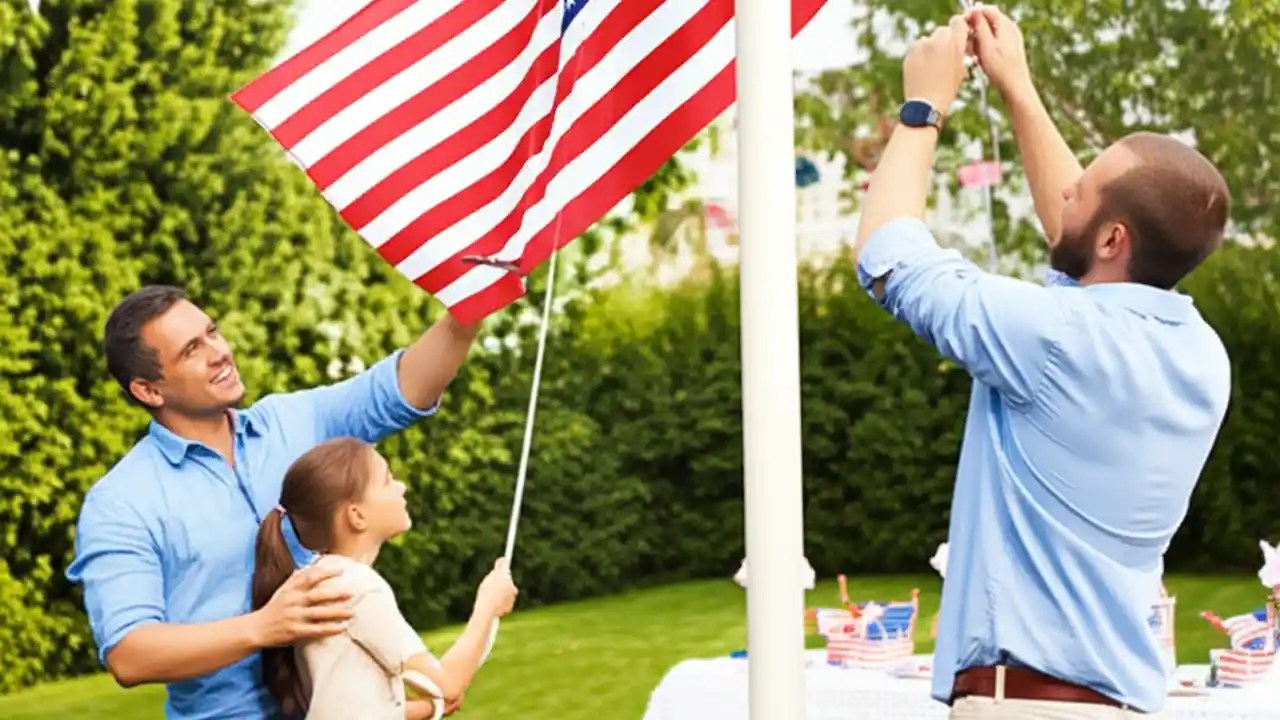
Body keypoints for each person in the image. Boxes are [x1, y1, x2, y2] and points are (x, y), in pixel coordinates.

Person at [855, 8, 1232, 719]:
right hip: (1114, 702)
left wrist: (923, 108)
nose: (1065, 194)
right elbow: (1081, 243)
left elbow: (887, 260)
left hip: (1022, 707)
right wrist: (1017, 90)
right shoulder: (1200, 355)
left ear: (1115, 235)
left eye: (1084, 188)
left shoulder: (1057, 341)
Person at [66, 285, 482, 720]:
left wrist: (467, 314)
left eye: (213, 332)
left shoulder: (294, 421)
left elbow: (400, 390)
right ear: (149, 391)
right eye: (192, 350)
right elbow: (131, 655)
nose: (219, 352)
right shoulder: (120, 503)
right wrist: (262, 628)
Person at [251, 437, 517, 720]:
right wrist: (487, 607)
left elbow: (356, 707)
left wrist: (431, 707)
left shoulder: (322, 579)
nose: (401, 486)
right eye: (388, 480)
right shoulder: (358, 587)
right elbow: (447, 686)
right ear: (357, 516)